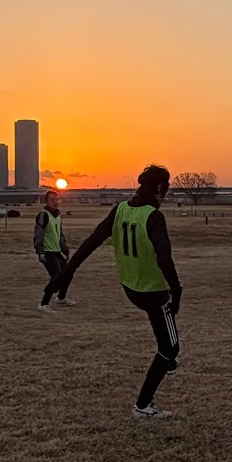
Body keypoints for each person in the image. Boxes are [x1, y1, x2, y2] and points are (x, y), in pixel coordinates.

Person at [44, 165, 183, 419]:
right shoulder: (153, 216)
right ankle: (143, 406)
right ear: (160, 188)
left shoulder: (120, 210)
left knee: (164, 333)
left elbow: (92, 242)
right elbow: (164, 259)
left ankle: (168, 363)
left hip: (130, 287)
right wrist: (177, 291)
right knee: (170, 348)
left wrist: (66, 273)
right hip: (153, 291)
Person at [34, 190, 73, 311]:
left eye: (56, 199)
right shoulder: (43, 215)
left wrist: (64, 248)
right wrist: (40, 252)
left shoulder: (57, 215)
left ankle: (61, 298)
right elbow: (38, 235)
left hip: (56, 250)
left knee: (68, 273)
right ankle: (43, 304)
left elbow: (59, 234)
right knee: (56, 276)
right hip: (47, 251)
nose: (55, 202)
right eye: (52, 200)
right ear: (46, 201)